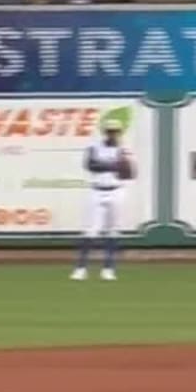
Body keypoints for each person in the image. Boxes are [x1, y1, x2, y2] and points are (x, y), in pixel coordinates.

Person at [71, 118, 133, 281]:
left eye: (115, 131)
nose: (112, 134)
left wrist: (112, 164)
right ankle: (81, 268)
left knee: (113, 229)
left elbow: (128, 173)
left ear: (119, 132)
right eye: (110, 131)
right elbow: (91, 165)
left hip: (116, 191)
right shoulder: (94, 147)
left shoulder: (123, 149)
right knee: (90, 229)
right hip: (96, 190)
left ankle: (108, 268)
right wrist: (113, 165)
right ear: (105, 132)